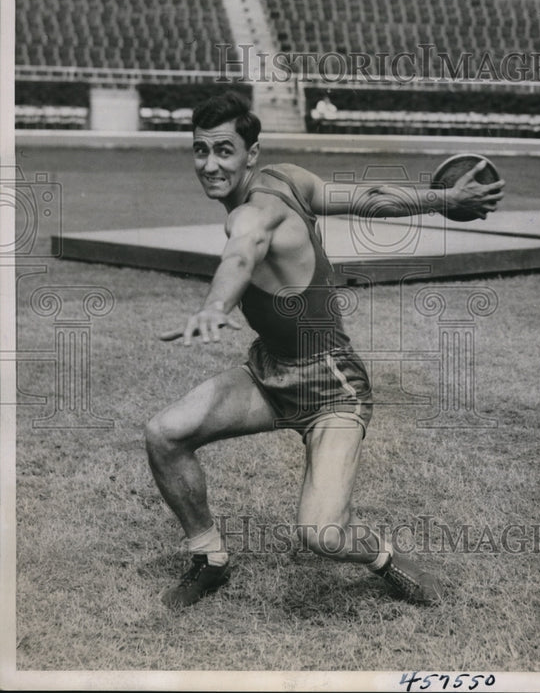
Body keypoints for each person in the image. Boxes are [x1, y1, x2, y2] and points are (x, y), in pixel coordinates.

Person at [146, 91, 504, 609]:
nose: (209, 164)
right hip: (269, 374)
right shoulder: (292, 178)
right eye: (200, 150)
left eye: (224, 150)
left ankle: (384, 557)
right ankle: (209, 558)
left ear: (252, 153)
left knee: (323, 535)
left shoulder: (253, 213)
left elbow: (241, 254)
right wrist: (444, 201)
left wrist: (214, 305)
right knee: (164, 434)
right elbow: (371, 197)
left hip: (332, 387)